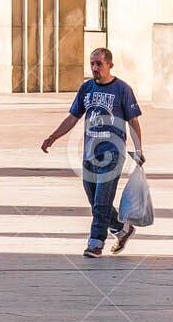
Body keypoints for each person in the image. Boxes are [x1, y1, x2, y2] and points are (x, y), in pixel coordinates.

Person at [41, 46, 145, 257]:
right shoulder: (86, 88)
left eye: (99, 64)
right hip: (89, 154)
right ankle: (122, 229)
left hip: (113, 154)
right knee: (95, 201)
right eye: (92, 64)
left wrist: (139, 149)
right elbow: (73, 117)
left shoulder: (122, 89)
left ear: (109, 65)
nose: (95, 68)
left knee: (100, 203)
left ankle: (95, 243)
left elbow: (133, 121)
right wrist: (53, 137)